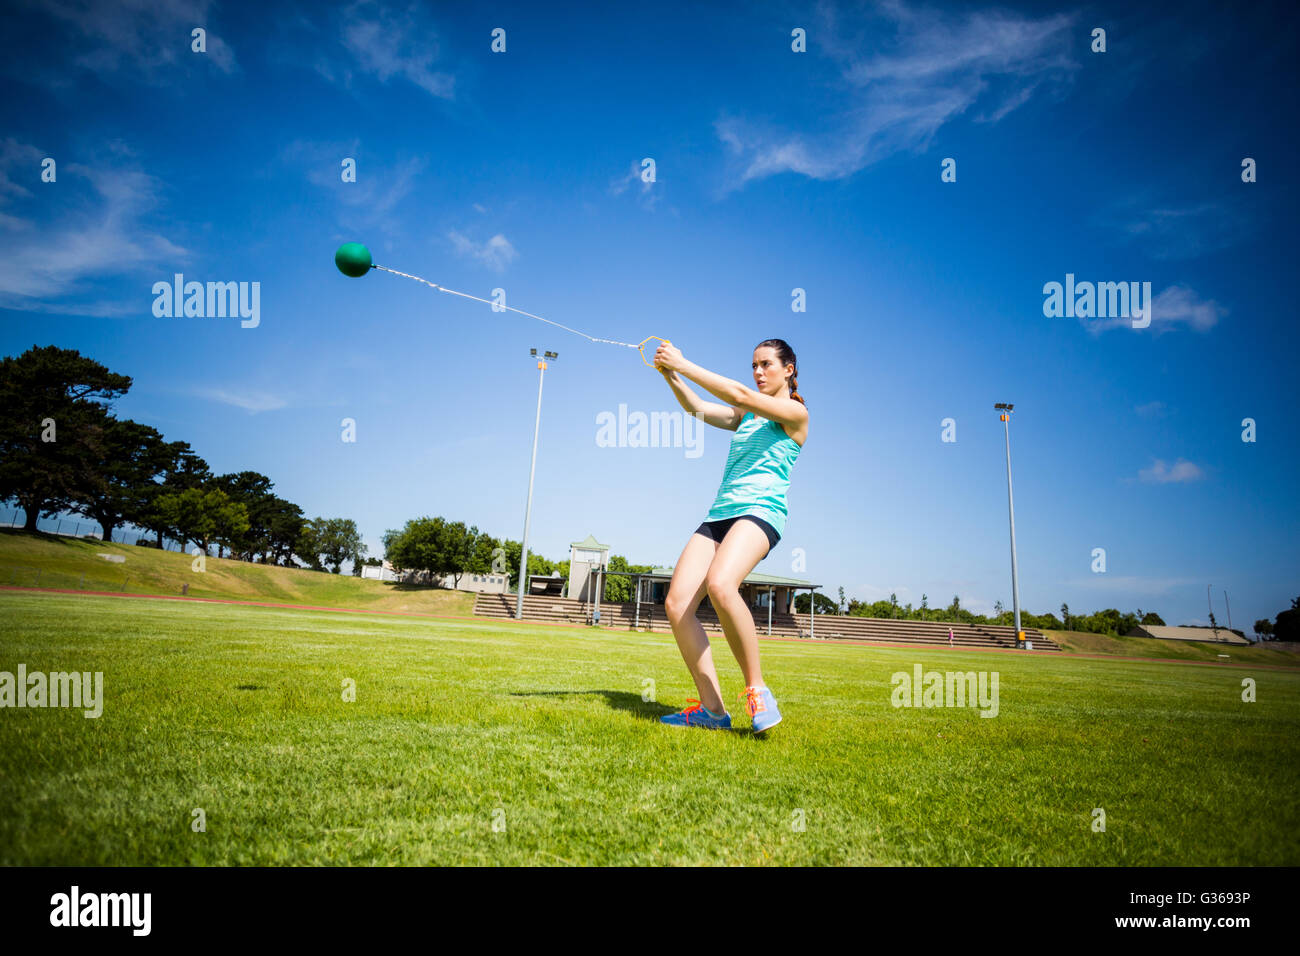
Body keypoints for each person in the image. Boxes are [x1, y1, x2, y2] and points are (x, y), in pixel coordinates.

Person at [651, 338, 808, 733]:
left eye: (766, 365)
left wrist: (684, 362)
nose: (757, 373)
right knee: (677, 603)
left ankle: (757, 690)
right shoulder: (747, 415)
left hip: (760, 513)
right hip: (722, 513)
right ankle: (713, 712)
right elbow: (698, 408)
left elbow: (738, 392)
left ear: (788, 369)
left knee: (722, 583)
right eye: (754, 365)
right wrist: (671, 375)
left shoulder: (794, 413)